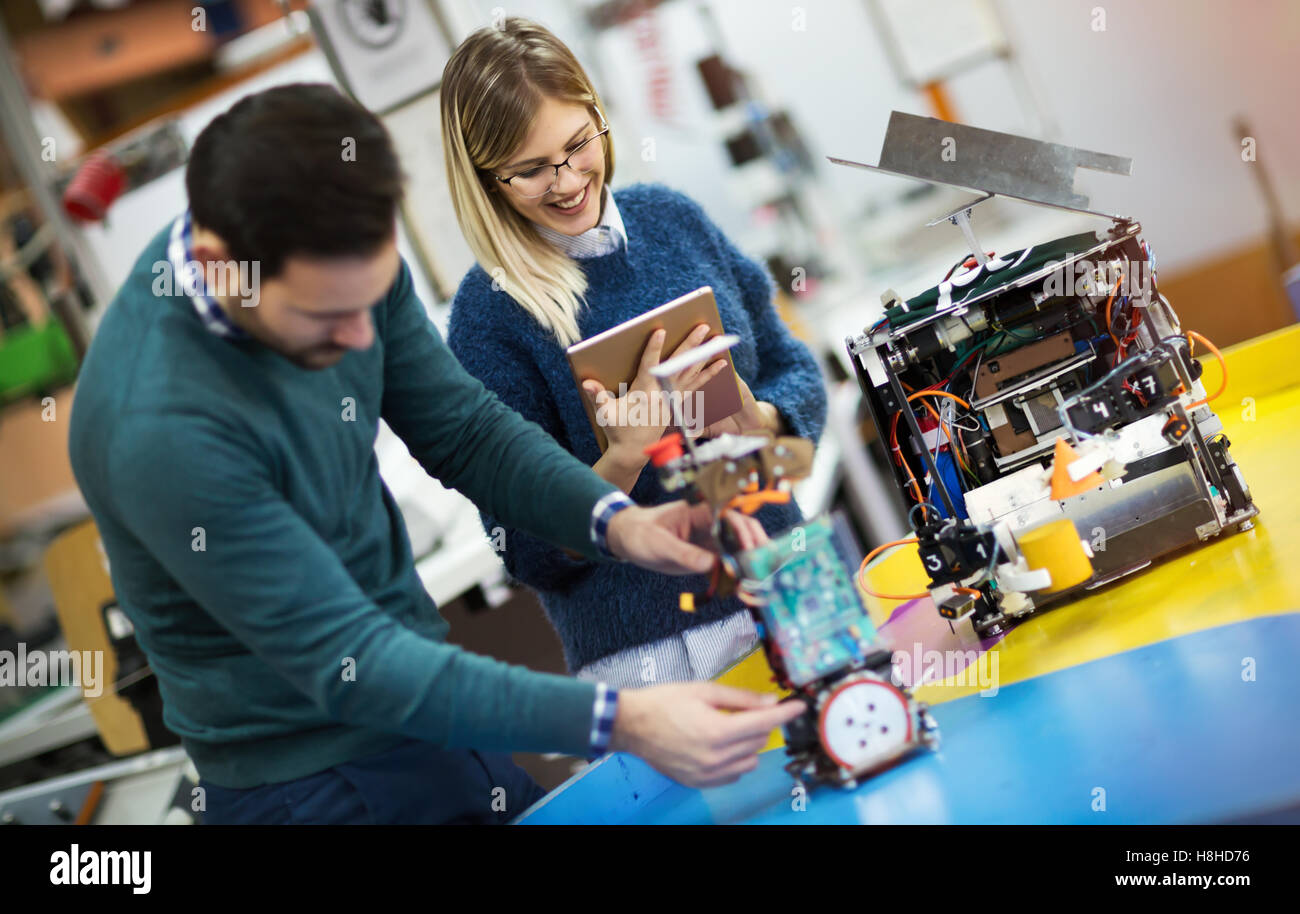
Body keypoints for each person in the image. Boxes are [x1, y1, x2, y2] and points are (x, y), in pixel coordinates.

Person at [67, 83, 803, 825]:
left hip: (435, 705)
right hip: (308, 781)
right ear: (220, 267)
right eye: (327, 317)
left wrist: (614, 521)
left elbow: (463, 428)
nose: (363, 340)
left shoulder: (333, 242)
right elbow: (351, 666)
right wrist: (628, 720)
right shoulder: (162, 431)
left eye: (374, 300)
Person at [442, 19, 828, 688]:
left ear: (598, 116)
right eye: (530, 170)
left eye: (576, 145)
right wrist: (620, 461)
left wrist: (759, 419)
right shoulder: (488, 315)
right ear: (485, 179)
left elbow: (798, 374)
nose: (565, 182)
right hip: (660, 658)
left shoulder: (672, 220)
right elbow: (525, 549)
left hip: (791, 580)